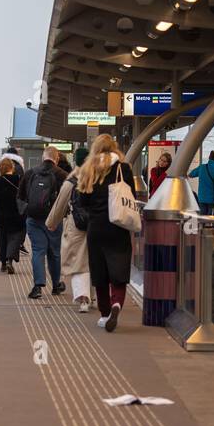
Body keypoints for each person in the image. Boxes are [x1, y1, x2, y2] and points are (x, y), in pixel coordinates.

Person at [75, 133, 135, 332]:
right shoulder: (123, 168)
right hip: (118, 226)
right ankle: (117, 303)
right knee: (119, 268)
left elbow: (82, 201)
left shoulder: (88, 168)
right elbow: (131, 196)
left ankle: (104, 313)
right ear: (114, 147)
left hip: (96, 227)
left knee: (99, 272)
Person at [45, 145, 91, 310]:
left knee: (77, 261)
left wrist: (51, 223)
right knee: (94, 261)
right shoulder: (99, 177)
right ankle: (96, 296)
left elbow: (60, 204)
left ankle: (83, 298)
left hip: (76, 225)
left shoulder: (72, 180)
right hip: (96, 225)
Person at [18, 144, 65, 301]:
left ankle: (38, 287)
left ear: (43, 157)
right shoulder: (61, 174)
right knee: (54, 252)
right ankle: (56, 285)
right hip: (54, 219)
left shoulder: (30, 173)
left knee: (38, 251)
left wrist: (27, 212)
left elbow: (20, 196)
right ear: (56, 158)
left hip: (33, 218)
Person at [0, 157, 25, 272]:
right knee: (14, 237)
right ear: (12, 168)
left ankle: (3, 262)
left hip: (1, 214)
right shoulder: (19, 179)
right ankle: (10, 260)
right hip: (16, 214)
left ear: (1, 169)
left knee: (2, 239)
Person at [188, 149, 214, 215]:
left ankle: (202, 225)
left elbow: (191, 174)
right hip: (212, 201)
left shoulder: (202, 167)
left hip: (202, 199)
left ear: (209, 157)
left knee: (202, 220)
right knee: (211, 222)